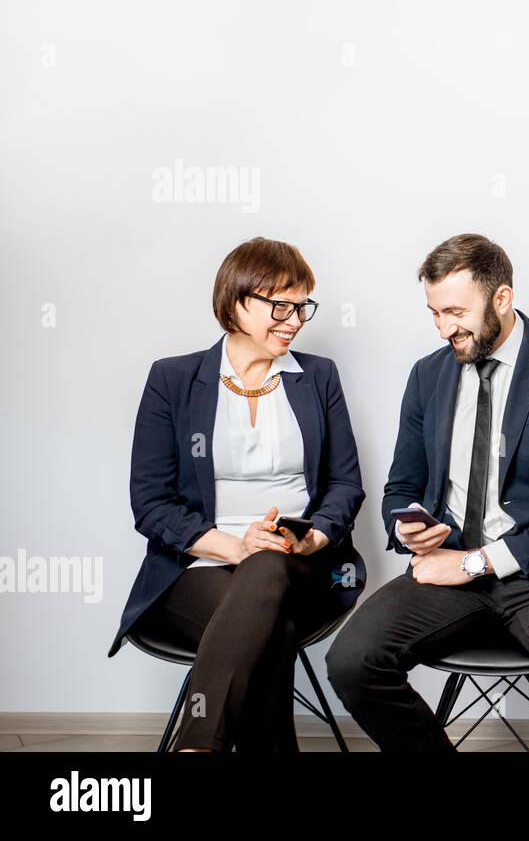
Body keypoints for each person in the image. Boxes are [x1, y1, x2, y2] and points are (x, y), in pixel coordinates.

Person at [326, 233, 529, 751]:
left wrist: (475, 563)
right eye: (434, 313)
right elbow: (400, 486)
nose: (444, 328)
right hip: (448, 564)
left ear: (502, 299)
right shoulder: (428, 375)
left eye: (455, 312)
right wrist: (409, 528)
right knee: (352, 661)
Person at [110, 237, 367, 752]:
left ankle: (197, 745)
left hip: (304, 565)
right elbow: (151, 502)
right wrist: (235, 546)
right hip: (196, 569)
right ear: (236, 303)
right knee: (265, 623)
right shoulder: (174, 379)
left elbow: (345, 484)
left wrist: (312, 539)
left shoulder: (317, 378)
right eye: (280, 306)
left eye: (302, 307)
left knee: (269, 565)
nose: (293, 321)